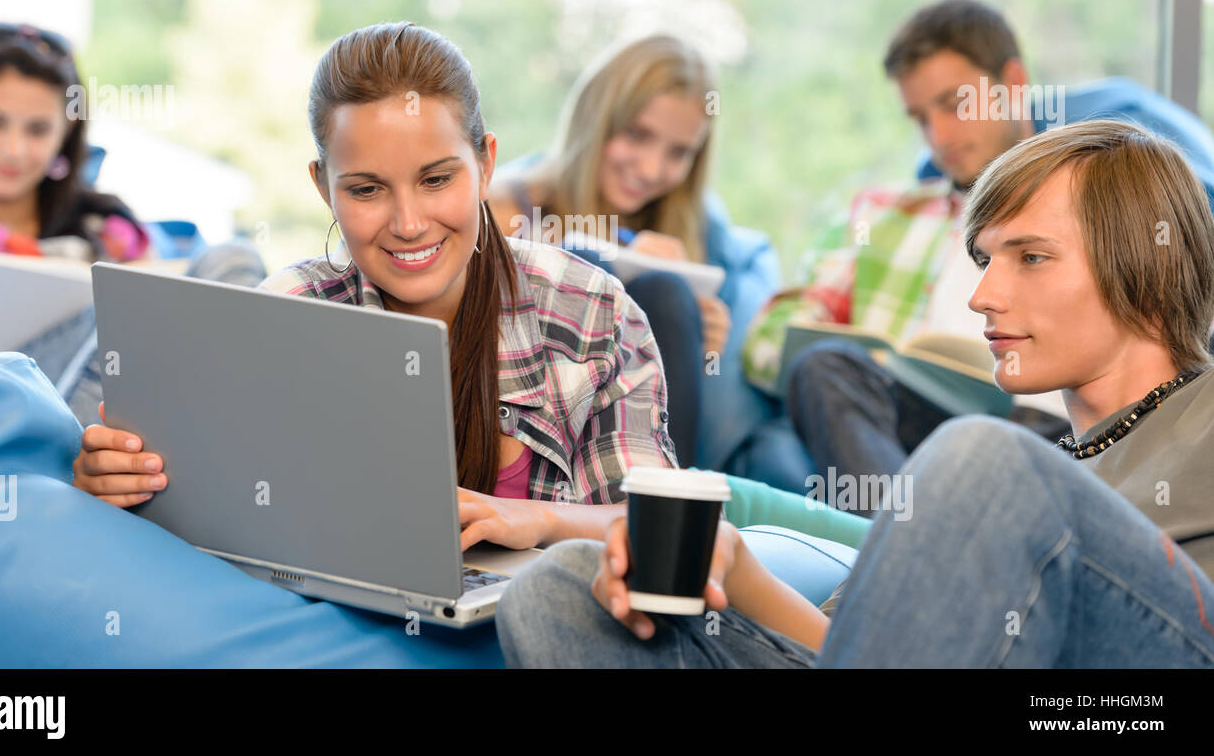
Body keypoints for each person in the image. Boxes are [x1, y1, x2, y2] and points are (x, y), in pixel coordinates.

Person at [496, 120, 1214, 667]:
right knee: (559, 588)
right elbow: (844, 648)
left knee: (981, 453)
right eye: (984, 260)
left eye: (1030, 257)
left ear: (1146, 267)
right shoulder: (1037, 476)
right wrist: (734, 564)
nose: (984, 295)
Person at [72, 21, 678, 550]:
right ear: (323, 187)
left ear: (486, 163)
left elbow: (660, 527)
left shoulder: (589, 309)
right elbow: (221, 524)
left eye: (436, 180)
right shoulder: (285, 314)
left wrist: (539, 520)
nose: (409, 224)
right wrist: (118, 490)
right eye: (366, 190)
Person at [739, 0, 1214, 504]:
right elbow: (769, 341)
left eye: (954, 104)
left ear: (1013, 83)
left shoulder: (1105, 193)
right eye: (920, 118)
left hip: (1043, 426)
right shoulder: (884, 216)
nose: (939, 136)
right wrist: (878, 352)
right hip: (920, 420)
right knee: (824, 370)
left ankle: (902, 539)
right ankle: (899, 532)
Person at [0, 22, 266, 424]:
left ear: (66, 130)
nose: (13, 150)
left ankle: (248, 431)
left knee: (233, 258)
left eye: (37, 129)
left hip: (122, 420)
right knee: (115, 309)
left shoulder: (108, 230)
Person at [489, 34, 781, 470]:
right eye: (637, 134)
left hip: (637, 456)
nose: (650, 169)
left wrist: (701, 339)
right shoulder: (506, 208)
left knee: (666, 292)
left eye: (678, 152)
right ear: (596, 120)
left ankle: (666, 501)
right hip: (527, 440)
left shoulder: (688, 238)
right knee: (587, 263)